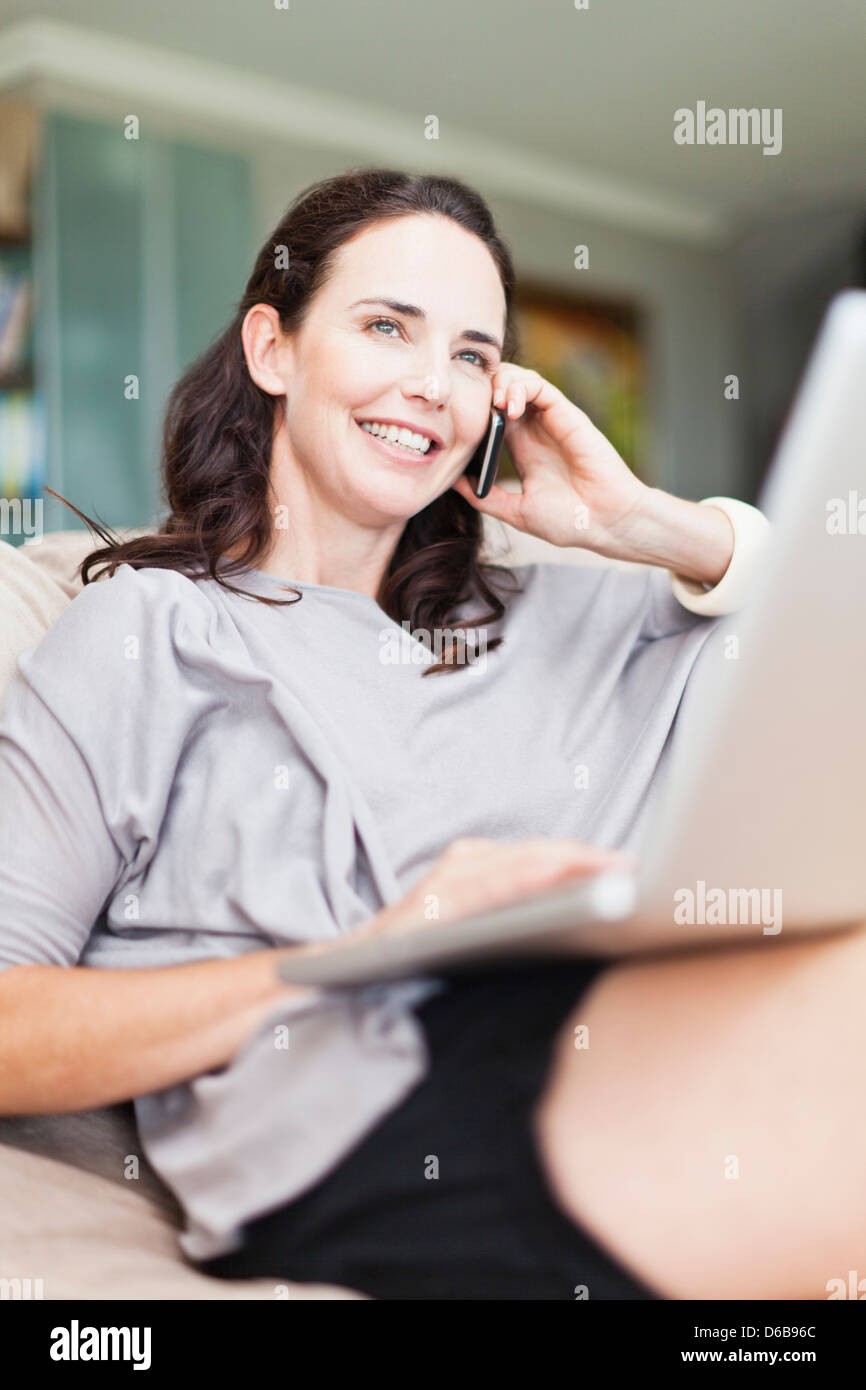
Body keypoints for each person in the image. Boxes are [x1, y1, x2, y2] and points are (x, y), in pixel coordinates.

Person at [0, 169, 861, 1302]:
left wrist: (640, 524)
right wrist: (372, 948)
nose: (429, 385)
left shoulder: (570, 610)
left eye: (469, 354)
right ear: (273, 349)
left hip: (621, 1021)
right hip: (367, 1116)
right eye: (384, 327)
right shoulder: (154, 628)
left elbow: (822, 639)